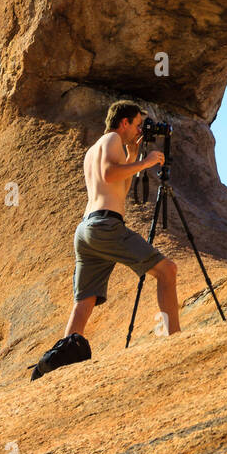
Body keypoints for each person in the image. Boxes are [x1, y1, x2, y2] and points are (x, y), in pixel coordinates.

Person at [63, 100, 181, 340]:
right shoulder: (111, 139)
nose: (141, 131)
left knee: (84, 300)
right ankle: (176, 339)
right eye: (138, 125)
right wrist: (147, 162)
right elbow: (109, 174)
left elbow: (118, 188)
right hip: (105, 225)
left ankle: (61, 355)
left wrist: (133, 157)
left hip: (87, 230)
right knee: (167, 270)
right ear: (124, 122)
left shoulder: (93, 150)